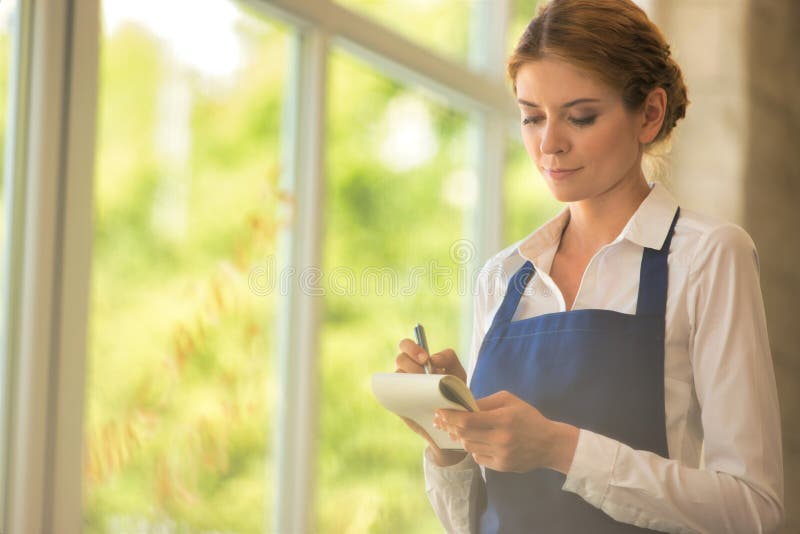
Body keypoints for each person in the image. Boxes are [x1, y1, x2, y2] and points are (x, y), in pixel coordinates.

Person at [393, 0, 785, 532]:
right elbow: (473, 521)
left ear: (648, 113)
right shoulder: (504, 276)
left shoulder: (708, 256)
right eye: (531, 117)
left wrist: (561, 447)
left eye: (580, 117)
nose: (548, 144)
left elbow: (752, 508)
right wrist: (449, 438)